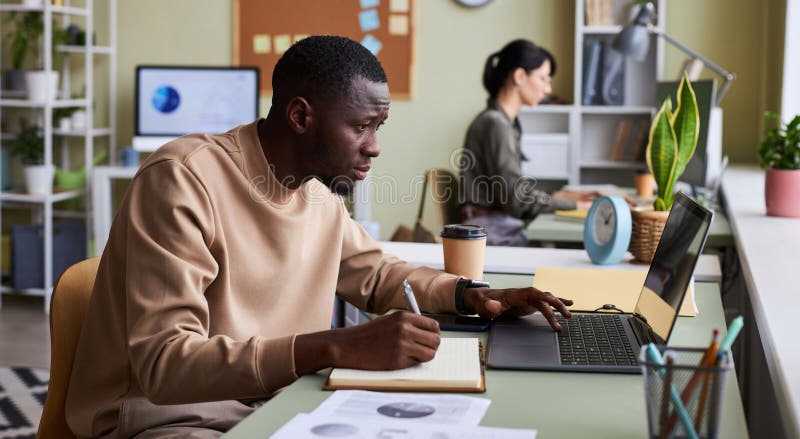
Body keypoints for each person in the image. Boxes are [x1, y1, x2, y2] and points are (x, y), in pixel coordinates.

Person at [65, 36, 573, 438]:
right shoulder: (182, 179)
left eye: (381, 126)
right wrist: (333, 347)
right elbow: (164, 365)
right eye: (362, 126)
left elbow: (378, 274)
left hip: (279, 405)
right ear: (301, 116)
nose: (374, 147)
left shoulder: (315, 192)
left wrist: (474, 294)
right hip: (168, 420)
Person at [460, 39, 597, 246]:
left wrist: (562, 198)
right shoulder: (496, 125)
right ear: (520, 76)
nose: (548, 89)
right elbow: (517, 201)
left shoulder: (502, 122)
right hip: (489, 231)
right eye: (543, 79)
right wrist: (577, 205)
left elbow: (515, 193)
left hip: (494, 225)